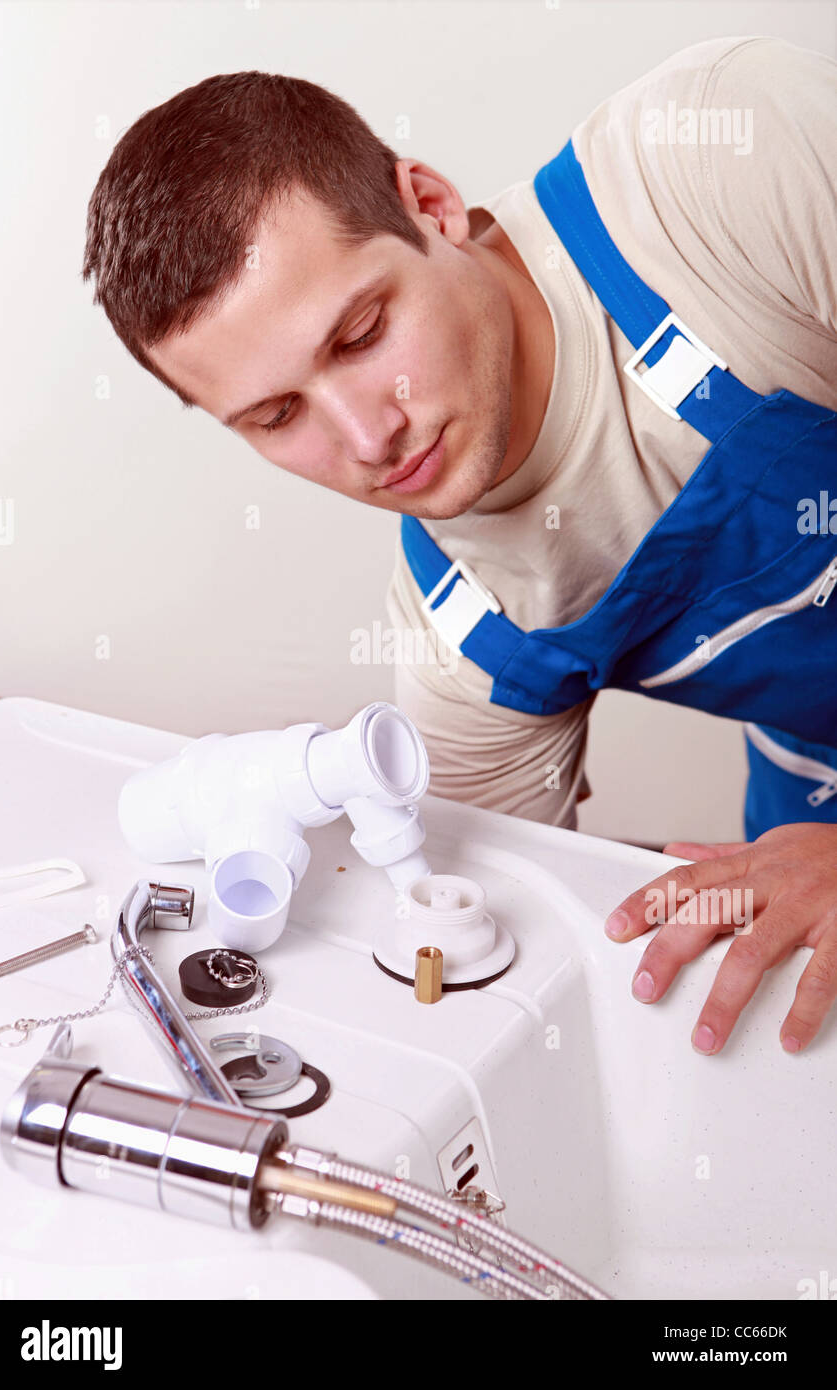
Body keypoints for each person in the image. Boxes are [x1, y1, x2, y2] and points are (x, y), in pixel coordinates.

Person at [81, 35, 837, 1057]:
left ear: (429, 205)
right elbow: (483, 965)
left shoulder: (733, 167)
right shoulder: (474, 642)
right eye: (275, 416)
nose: (365, 438)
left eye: (358, 337)